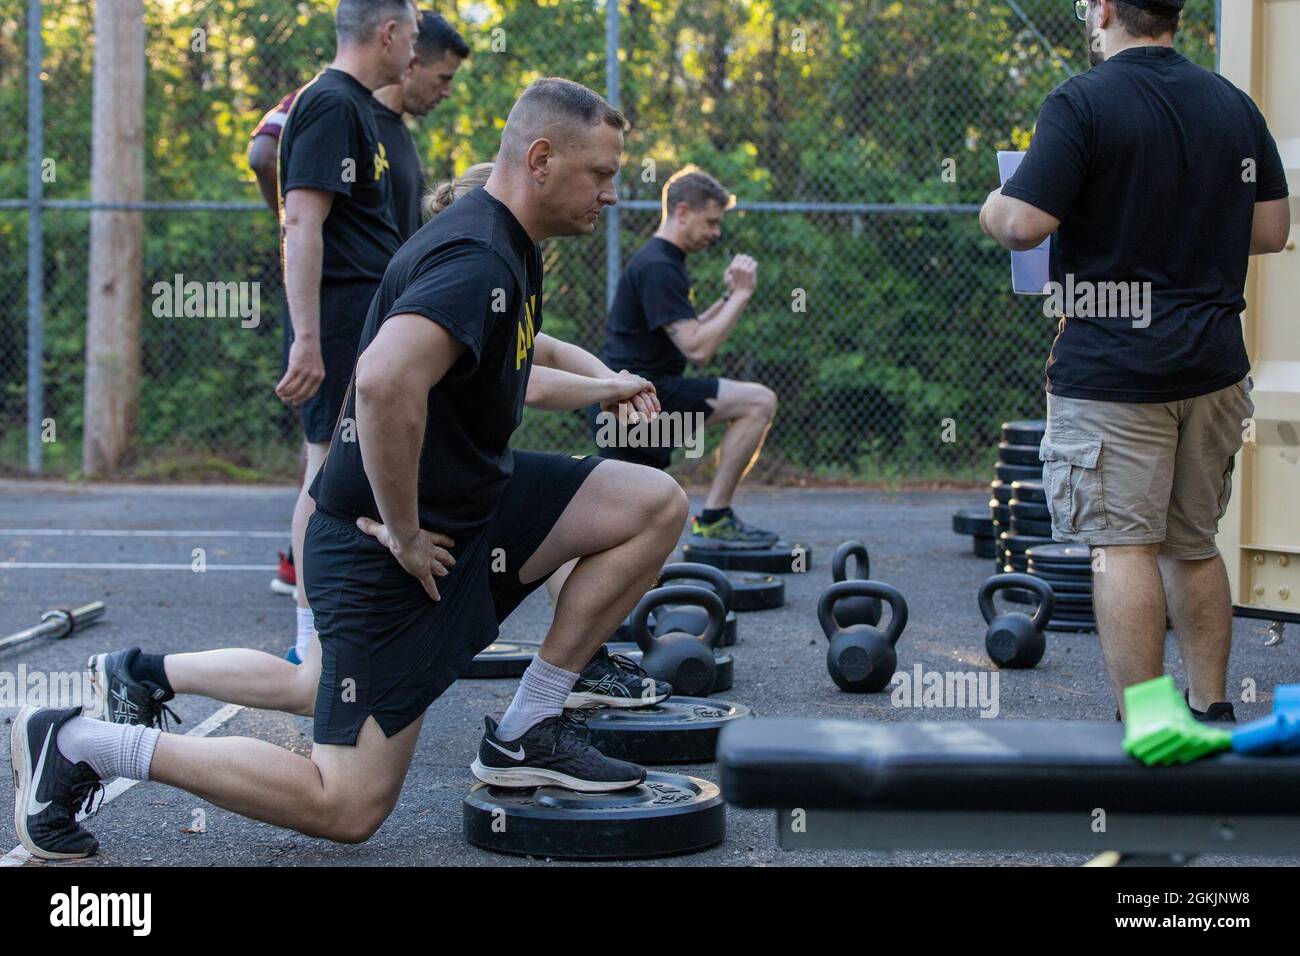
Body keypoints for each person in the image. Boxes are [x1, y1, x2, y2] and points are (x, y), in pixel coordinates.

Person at [13, 78, 687, 860]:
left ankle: (529, 726)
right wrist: (403, 531)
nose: (611, 194)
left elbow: (506, 368)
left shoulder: (509, 245)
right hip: (384, 557)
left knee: (650, 502)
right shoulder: (477, 256)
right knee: (347, 805)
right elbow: (380, 379)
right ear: (541, 159)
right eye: (601, 174)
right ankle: (84, 746)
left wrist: (601, 385)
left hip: (471, 512)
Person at [978, 0, 1290, 720]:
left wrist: (995, 202)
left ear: (1108, 10)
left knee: (1124, 548)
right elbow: (1272, 230)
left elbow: (1025, 224)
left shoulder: (1081, 101)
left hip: (1115, 371)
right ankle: (1211, 709)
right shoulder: (1232, 104)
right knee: (1193, 544)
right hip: (1213, 364)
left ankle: (1149, 722)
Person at [275, 0, 417, 666]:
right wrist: (307, 339)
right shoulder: (331, 103)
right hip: (335, 322)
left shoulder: (361, 107)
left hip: (366, 317)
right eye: (411, 37)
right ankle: (310, 641)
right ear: (387, 33)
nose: (414, 53)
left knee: (354, 468)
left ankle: (349, 618)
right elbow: (301, 224)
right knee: (324, 472)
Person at [594, 166, 778, 548]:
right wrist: (742, 295)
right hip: (639, 405)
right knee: (759, 401)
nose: (716, 232)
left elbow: (688, 334)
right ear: (681, 212)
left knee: (628, 519)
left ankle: (712, 518)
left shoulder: (663, 260)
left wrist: (728, 299)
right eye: (711, 222)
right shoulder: (659, 266)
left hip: (640, 400)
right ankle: (714, 517)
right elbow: (698, 349)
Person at [371, 11, 469, 241]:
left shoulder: (401, 131)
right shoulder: (357, 119)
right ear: (411, 64)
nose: (447, 93)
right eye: (443, 78)